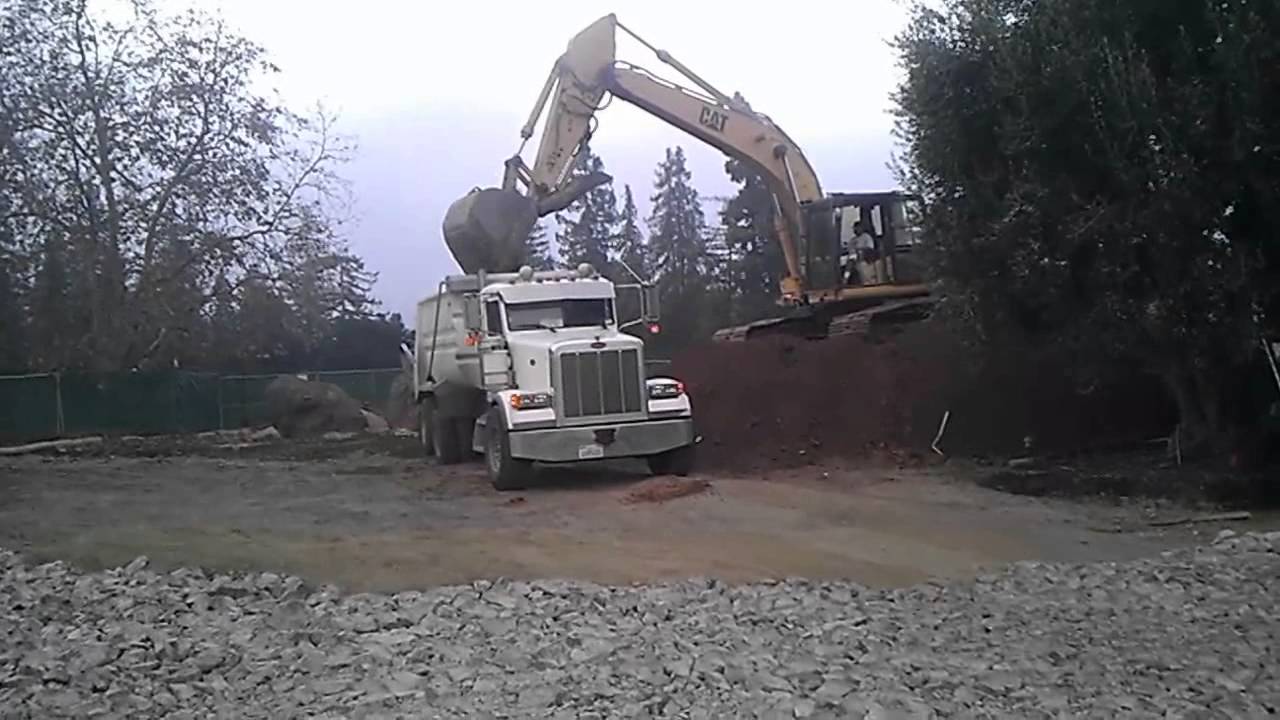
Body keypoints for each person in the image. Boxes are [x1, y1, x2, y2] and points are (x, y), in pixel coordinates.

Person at [844, 221, 877, 285]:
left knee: (853, 256)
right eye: (855, 228)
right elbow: (849, 250)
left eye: (858, 228)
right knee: (849, 258)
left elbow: (870, 249)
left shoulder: (866, 237)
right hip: (853, 258)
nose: (856, 230)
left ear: (861, 228)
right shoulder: (852, 240)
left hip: (865, 256)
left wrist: (858, 250)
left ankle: (845, 278)